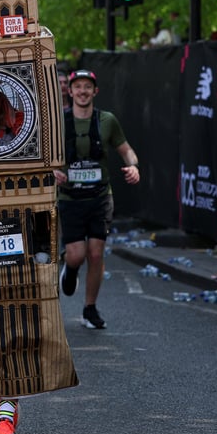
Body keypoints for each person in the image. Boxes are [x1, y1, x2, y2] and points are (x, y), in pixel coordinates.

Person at [54, 70, 140, 330]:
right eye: (77, 86)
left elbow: (127, 151)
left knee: (95, 252)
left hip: (100, 196)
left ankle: (89, 308)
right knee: (76, 255)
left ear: (95, 92)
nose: (82, 91)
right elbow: (45, 158)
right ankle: (70, 269)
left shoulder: (107, 120)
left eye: (87, 87)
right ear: (70, 91)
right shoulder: (59, 121)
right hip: (70, 196)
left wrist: (133, 166)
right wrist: (52, 171)